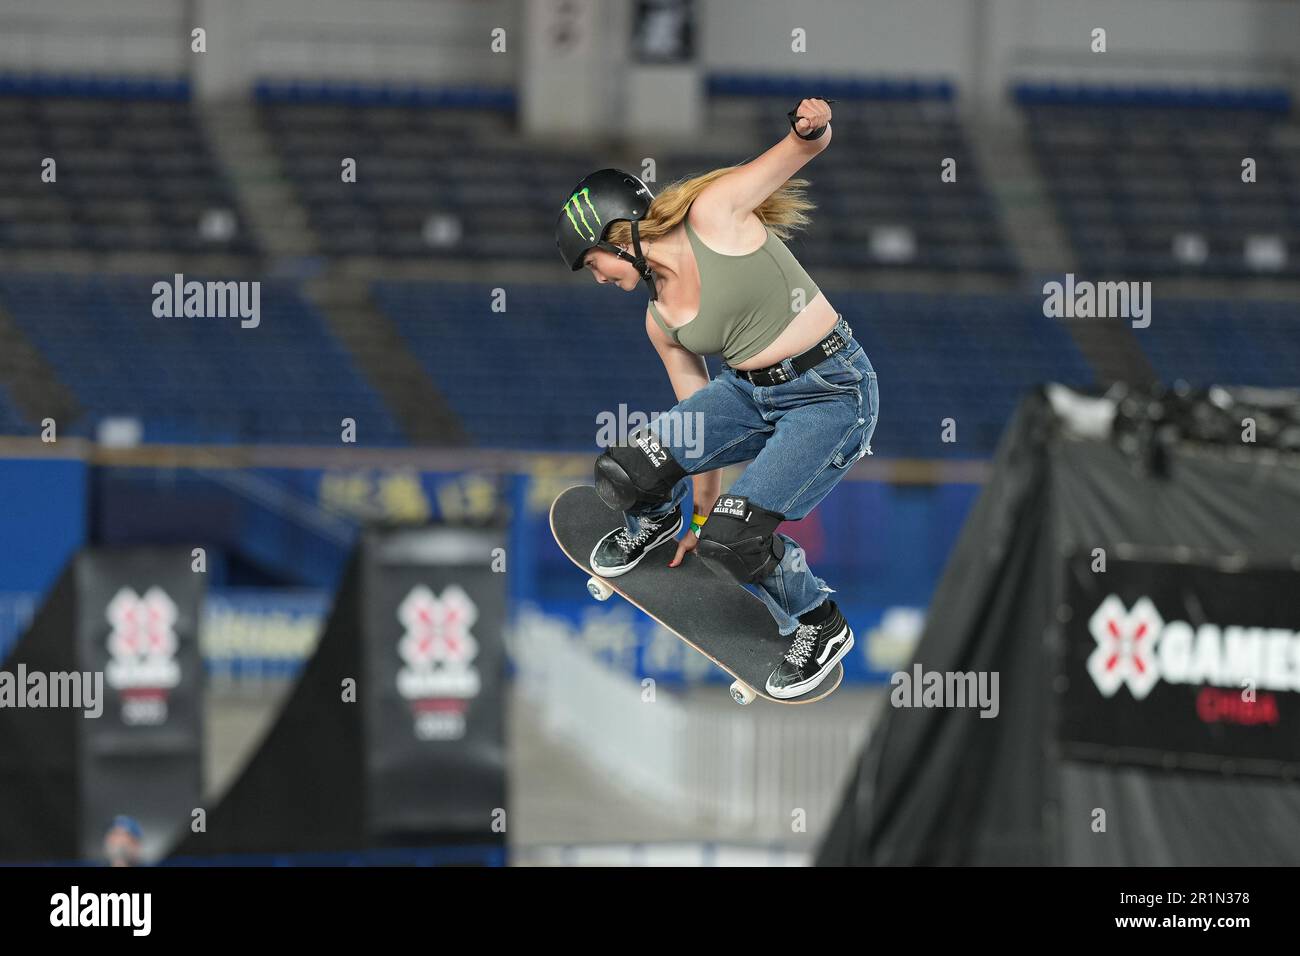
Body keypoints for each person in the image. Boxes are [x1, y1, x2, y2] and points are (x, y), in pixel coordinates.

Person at [555, 97, 878, 699]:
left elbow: (803, 150)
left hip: (831, 393)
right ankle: (651, 523)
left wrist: (811, 127)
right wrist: (697, 514)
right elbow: (695, 428)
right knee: (627, 469)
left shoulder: (715, 214)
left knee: (735, 541)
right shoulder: (661, 320)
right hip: (747, 395)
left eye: (593, 262)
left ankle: (819, 621)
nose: (598, 277)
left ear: (617, 232)